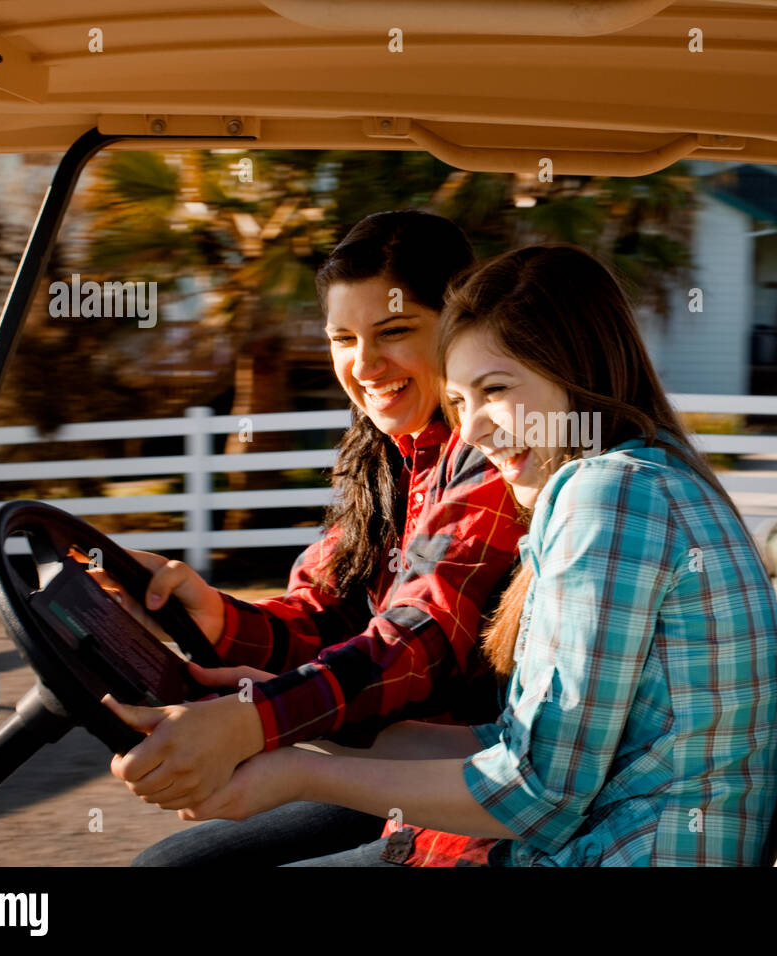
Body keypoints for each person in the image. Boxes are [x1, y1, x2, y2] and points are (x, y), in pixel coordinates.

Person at [147, 244, 777, 866]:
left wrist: (296, 773)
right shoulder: (634, 482)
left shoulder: (611, 495)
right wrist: (284, 714)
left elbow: (537, 795)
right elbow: (514, 751)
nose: (474, 427)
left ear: (577, 370)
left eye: (496, 388)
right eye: (459, 401)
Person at [104, 210, 527, 866]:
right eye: (342, 339)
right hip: (383, 761)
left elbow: (417, 641)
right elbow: (326, 615)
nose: (364, 365)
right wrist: (202, 610)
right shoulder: (385, 458)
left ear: (460, 327)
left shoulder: (492, 458)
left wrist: (252, 721)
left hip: (465, 799)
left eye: (394, 331)